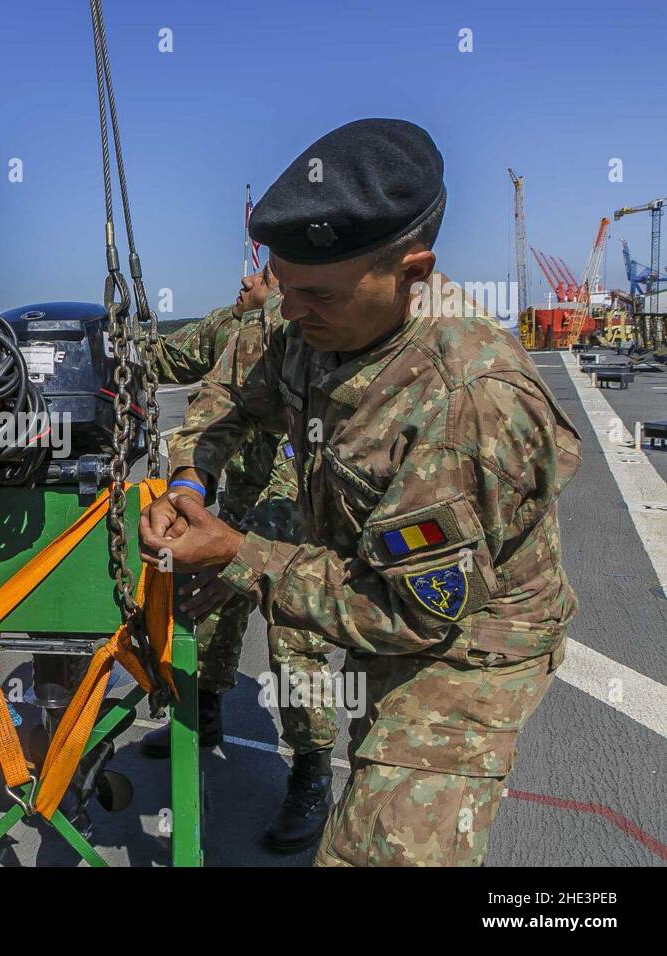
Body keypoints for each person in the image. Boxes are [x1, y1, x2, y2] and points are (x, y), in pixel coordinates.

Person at [143, 118, 581, 866]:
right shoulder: (313, 318)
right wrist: (192, 479)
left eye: (315, 294)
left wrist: (238, 555)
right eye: (282, 287)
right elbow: (230, 388)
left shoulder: (468, 404)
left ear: (412, 272)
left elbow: (411, 614)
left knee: (376, 850)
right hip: (369, 578)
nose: (289, 311)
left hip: (464, 647)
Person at [147, 267, 339, 851]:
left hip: (301, 526)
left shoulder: (312, 339)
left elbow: (294, 489)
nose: (246, 278)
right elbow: (170, 361)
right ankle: (203, 714)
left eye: (264, 273)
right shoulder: (234, 329)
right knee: (203, 609)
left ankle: (311, 770)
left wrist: (236, 553)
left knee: (293, 638)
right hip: (236, 513)